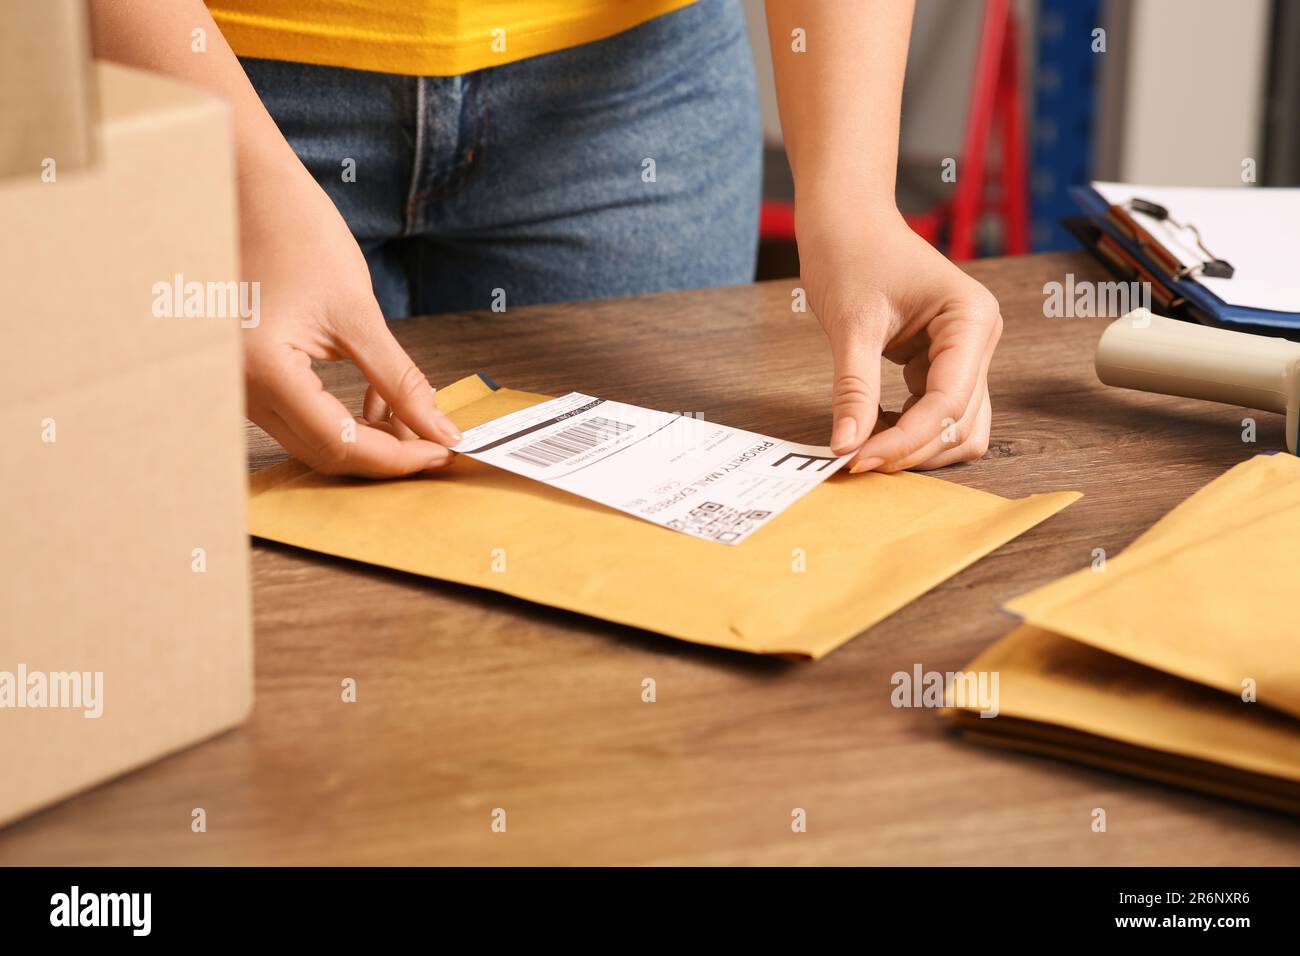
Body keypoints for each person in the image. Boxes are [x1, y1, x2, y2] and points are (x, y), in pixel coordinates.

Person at [90, 0, 1001, 479]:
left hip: (634, 106)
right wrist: (241, 183)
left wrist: (853, 198)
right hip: (179, 78)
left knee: (625, 611)